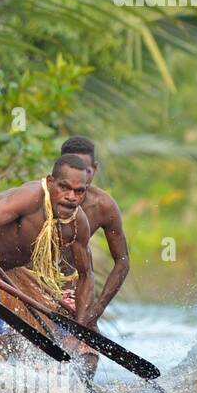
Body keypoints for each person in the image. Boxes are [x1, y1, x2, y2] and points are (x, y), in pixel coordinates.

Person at [0, 155, 99, 375]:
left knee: (80, 349)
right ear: (51, 182)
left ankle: (43, 391)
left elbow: (86, 275)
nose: (71, 197)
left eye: (79, 191)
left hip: (16, 277)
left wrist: (78, 329)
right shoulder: (31, 197)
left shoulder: (78, 223)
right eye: (65, 188)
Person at [58, 137, 129, 326]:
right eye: (72, 171)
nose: (77, 178)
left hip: (71, 294)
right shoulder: (41, 194)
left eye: (85, 172)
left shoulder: (104, 206)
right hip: (30, 285)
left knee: (87, 354)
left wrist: (96, 310)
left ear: (95, 169)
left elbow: (122, 261)